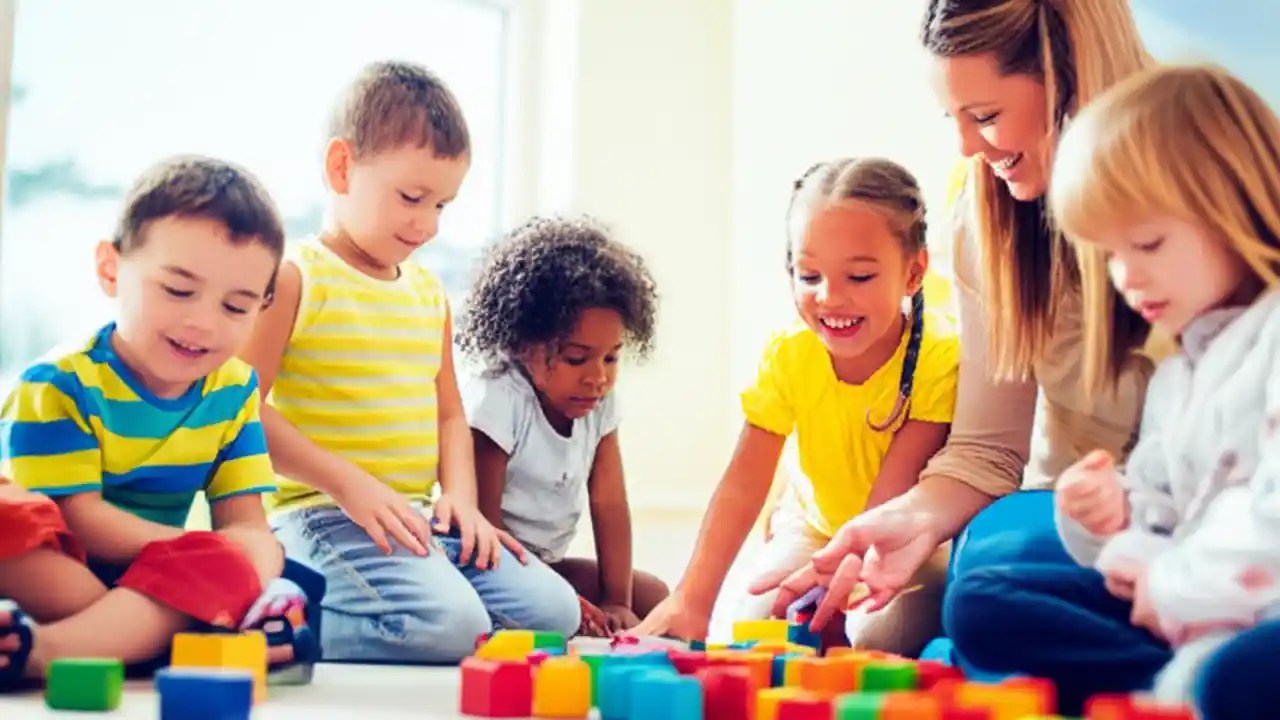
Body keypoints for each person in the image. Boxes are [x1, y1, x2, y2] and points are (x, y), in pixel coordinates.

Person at [756, 0, 1162, 709]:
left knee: (987, 599)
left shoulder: (1193, 189)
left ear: (1071, 78)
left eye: (986, 115)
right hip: (1055, 512)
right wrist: (904, 519)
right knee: (979, 576)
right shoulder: (987, 214)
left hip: (1195, 513)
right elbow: (987, 449)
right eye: (956, 120)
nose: (969, 148)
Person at [240, 60, 580, 664]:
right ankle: (276, 622)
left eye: (443, 205)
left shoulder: (427, 295)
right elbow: (240, 408)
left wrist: (463, 501)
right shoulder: (299, 278)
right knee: (448, 628)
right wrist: (347, 484)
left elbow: (450, 416)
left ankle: (441, 616)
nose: (426, 224)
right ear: (342, 167)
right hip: (319, 516)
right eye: (411, 197)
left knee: (558, 611)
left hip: (416, 520)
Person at [0, 156, 313, 687]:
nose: (201, 323)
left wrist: (233, 555)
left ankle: (44, 652)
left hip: (158, 581)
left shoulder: (234, 391)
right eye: (177, 290)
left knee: (258, 552)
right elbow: (78, 520)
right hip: (63, 570)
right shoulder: (56, 384)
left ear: (263, 306)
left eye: (235, 308)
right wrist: (190, 550)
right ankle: (148, 637)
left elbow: (244, 524)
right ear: (111, 269)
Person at [634, 157, 959, 655]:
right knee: (759, 624)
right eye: (809, 277)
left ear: (914, 272)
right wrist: (693, 598)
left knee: (879, 633)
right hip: (812, 526)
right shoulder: (789, 354)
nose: (831, 298)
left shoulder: (939, 355)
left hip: (903, 539)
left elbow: (889, 502)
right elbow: (744, 481)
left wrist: (845, 585)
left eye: (861, 277)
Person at [1050, 64, 1280, 717]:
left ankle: (1193, 676)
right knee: (989, 598)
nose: (1126, 276)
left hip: (1247, 604)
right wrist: (1110, 514)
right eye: (1111, 255)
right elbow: (1163, 512)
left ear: (1233, 203)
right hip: (1189, 599)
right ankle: (1184, 670)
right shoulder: (1178, 377)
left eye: (1147, 243)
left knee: (1227, 680)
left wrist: (1173, 585)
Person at [458, 216, 668, 637]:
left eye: (611, 357)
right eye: (576, 358)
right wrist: (554, 596)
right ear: (521, 345)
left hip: (547, 566)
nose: (598, 378)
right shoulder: (499, 399)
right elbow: (485, 524)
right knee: (554, 614)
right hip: (488, 565)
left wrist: (617, 602)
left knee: (656, 597)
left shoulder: (599, 405)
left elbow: (609, 504)